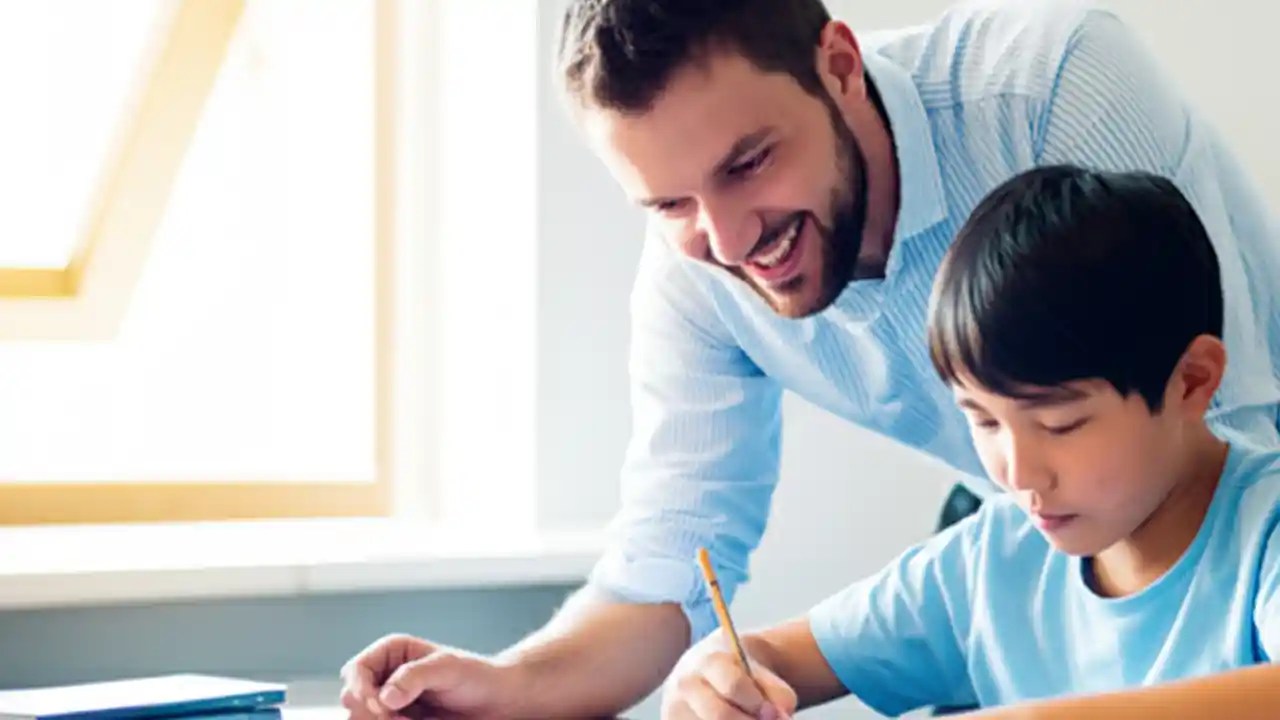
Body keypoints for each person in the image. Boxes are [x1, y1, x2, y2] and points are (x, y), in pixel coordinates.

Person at [339, 1, 1280, 718]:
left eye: (748, 163)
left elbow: (1209, 454)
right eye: (669, 204)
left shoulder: (1048, 85)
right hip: (1047, 541)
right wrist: (514, 684)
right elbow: (671, 573)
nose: (728, 238)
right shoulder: (988, 557)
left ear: (838, 64)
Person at [664, 165, 1280, 719]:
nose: (1019, 475)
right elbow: (775, 656)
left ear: (1192, 381)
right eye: (983, 422)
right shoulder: (994, 556)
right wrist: (716, 673)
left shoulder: (1265, 529)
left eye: (1060, 425)